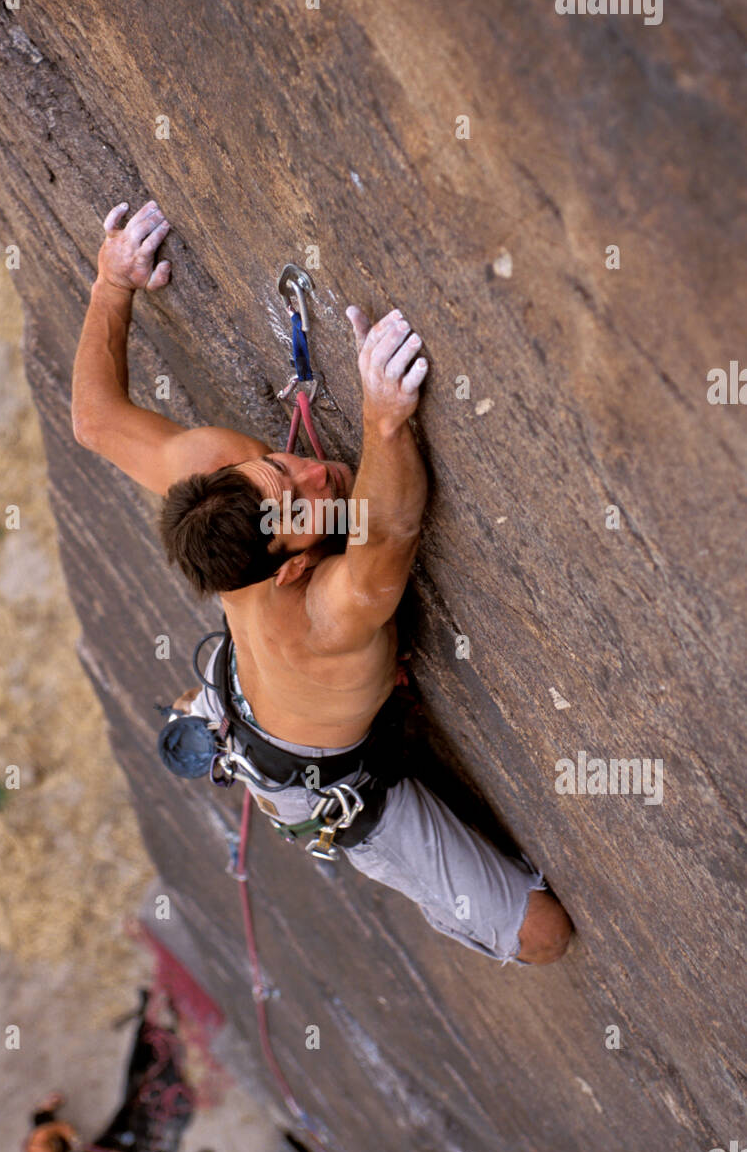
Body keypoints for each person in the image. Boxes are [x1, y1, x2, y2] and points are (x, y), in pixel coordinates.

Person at [71, 199, 572, 965]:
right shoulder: (329, 615)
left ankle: (213, 710)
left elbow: (96, 421)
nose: (312, 472)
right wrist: (384, 421)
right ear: (299, 566)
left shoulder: (212, 476)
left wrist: (113, 281)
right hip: (331, 785)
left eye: (278, 468)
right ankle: (244, 746)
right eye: (303, 506)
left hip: (248, 683)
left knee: (243, 683)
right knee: (543, 936)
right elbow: (387, 532)